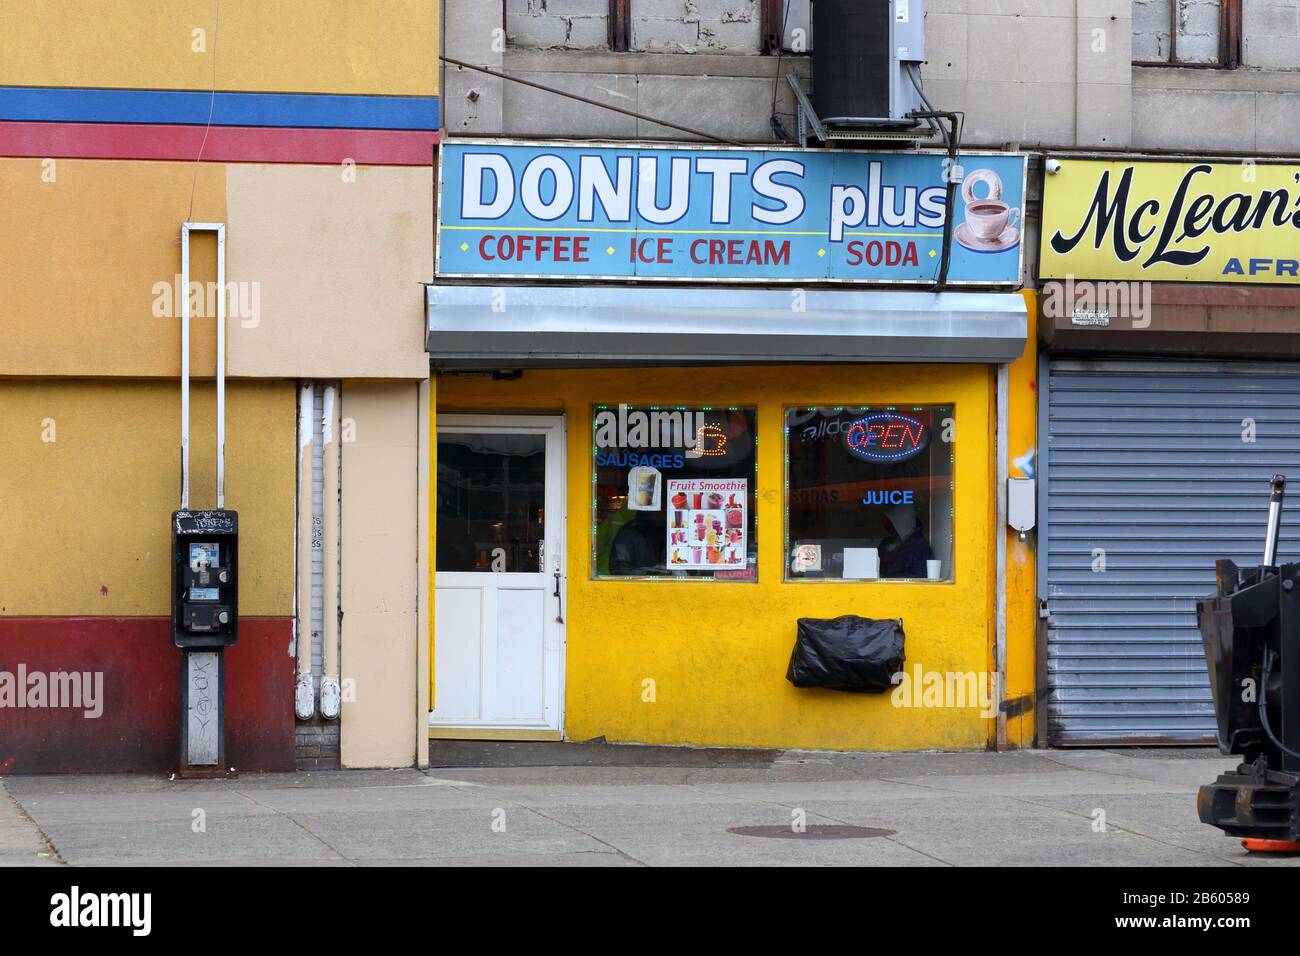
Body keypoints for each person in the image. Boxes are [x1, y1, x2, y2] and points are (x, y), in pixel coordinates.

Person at [879, 503, 934, 579]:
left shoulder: (918, 546)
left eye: (892, 524)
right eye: (888, 525)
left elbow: (918, 577)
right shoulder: (887, 543)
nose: (890, 529)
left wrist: (887, 578)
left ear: (900, 524)